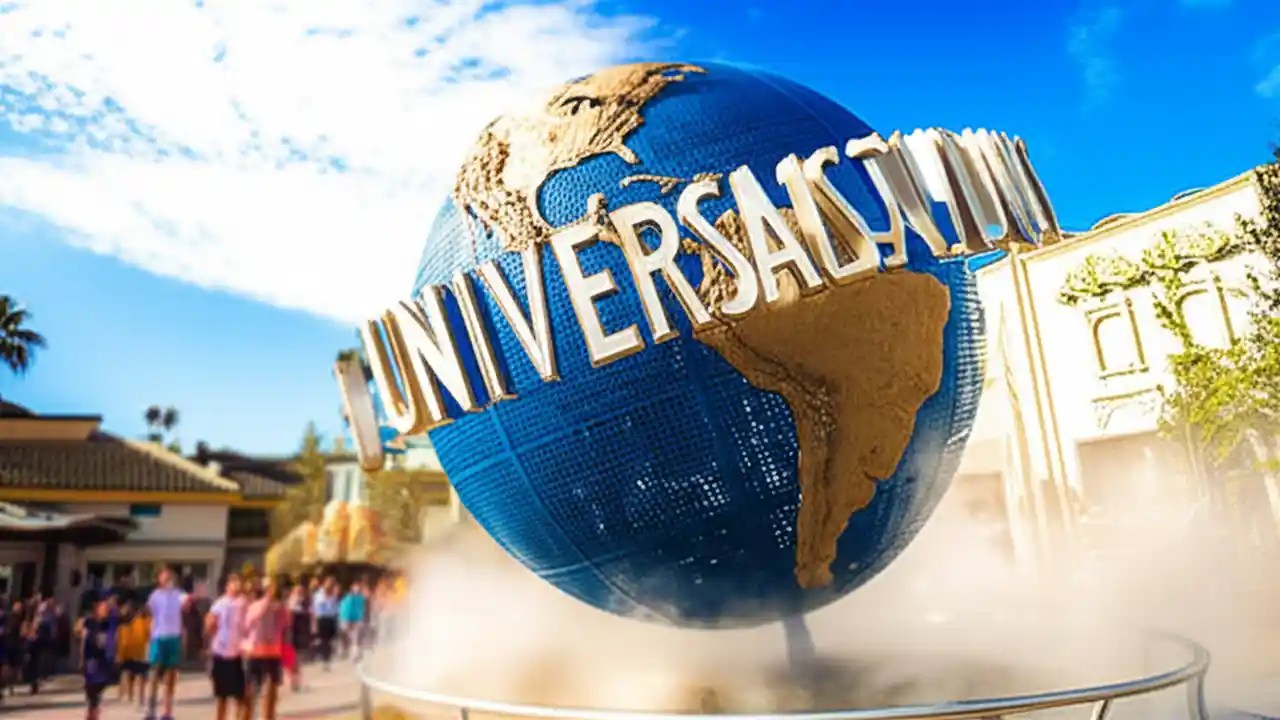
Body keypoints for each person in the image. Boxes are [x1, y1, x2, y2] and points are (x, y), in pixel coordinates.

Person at [243, 577, 288, 720]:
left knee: (271, 690)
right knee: (249, 692)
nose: (271, 590)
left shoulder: (277, 606)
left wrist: (280, 608)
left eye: (272, 587)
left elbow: (284, 624)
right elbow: (253, 618)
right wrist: (267, 601)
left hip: (273, 652)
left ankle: (268, 717)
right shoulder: (253, 605)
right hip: (255, 652)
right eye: (268, 587)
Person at [145, 568, 187, 720]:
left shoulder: (178, 594)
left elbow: (186, 602)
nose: (167, 579)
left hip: (173, 637)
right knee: (154, 673)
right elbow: (149, 613)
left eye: (170, 576)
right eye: (164, 576)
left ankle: (167, 711)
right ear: (159, 579)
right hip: (158, 637)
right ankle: (150, 709)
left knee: (170, 676)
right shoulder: (154, 596)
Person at [205, 573, 248, 720]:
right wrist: (212, 630)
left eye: (239, 583)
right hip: (221, 654)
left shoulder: (243, 603)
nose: (238, 586)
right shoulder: (220, 603)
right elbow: (209, 623)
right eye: (234, 583)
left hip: (237, 654)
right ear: (227, 586)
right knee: (221, 697)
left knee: (241, 697)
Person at [79, 599, 118, 720]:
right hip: (91, 658)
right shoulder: (89, 622)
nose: (105, 610)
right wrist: (81, 659)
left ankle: (93, 711)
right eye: (103, 608)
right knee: (91, 689)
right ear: (97, 609)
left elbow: (121, 618)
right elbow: (82, 637)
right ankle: (92, 712)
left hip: (103, 660)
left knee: (99, 686)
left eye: (107, 609)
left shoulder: (109, 623)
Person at [114, 601, 151, 708]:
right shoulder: (122, 623)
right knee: (129, 675)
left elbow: (149, 633)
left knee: (141, 676)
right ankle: (128, 696)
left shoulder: (143, 621)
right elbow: (118, 638)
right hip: (127, 653)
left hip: (140, 653)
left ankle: (140, 698)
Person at [311, 578, 339, 671]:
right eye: (329, 585)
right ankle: (324, 660)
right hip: (322, 619)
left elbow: (335, 607)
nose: (330, 587)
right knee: (324, 640)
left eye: (331, 585)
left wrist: (335, 615)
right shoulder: (319, 594)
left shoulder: (333, 595)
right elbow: (317, 608)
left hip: (331, 619)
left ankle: (328, 659)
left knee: (330, 641)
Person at [285, 584, 308, 691]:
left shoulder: (304, 603)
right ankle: (292, 682)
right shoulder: (290, 603)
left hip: (299, 633)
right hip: (289, 632)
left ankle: (296, 682)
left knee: (296, 658)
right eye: (297, 591)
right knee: (291, 658)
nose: (299, 594)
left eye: (301, 592)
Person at [338, 581, 367, 662]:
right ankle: (353, 654)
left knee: (355, 638)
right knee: (351, 638)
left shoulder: (361, 598)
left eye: (358, 587)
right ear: (352, 588)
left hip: (356, 620)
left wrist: (361, 618)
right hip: (348, 620)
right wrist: (344, 620)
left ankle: (355, 655)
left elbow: (361, 609)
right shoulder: (348, 597)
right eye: (355, 587)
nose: (356, 589)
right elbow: (344, 609)